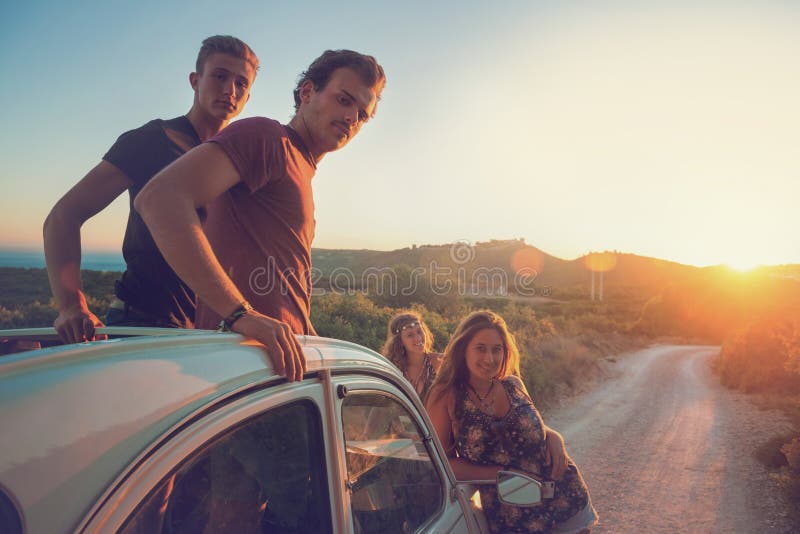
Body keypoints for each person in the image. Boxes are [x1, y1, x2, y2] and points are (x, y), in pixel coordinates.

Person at [135, 50, 386, 382]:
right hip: (242, 373)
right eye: (343, 99)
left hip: (280, 373)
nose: (352, 116)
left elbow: (282, 283)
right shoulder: (269, 138)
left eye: (363, 114)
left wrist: (309, 337)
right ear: (307, 92)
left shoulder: (301, 169)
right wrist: (240, 314)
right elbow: (160, 200)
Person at [43, 35, 259, 343]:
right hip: (142, 322)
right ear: (195, 81)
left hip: (202, 334)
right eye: (220, 76)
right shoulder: (155, 139)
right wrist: (70, 306)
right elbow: (63, 216)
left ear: (248, 97)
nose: (230, 90)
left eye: (241, 83)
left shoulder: (232, 163)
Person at [426, 311, 598, 534]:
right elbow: (442, 464)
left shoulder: (513, 384)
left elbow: (533, 429)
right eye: (481, 348)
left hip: (564, 496)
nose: (489, 358)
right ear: (463, 350)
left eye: (496, 349)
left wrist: (555, 437)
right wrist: (505, 474)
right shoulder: (445, 396)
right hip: (511, 513)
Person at [381, 312, 443, 402]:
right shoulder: (395, 370)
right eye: (410, 335)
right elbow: (383, 404)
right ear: (400, 341)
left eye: (419, 331)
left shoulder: (439, 362)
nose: (418, 338)